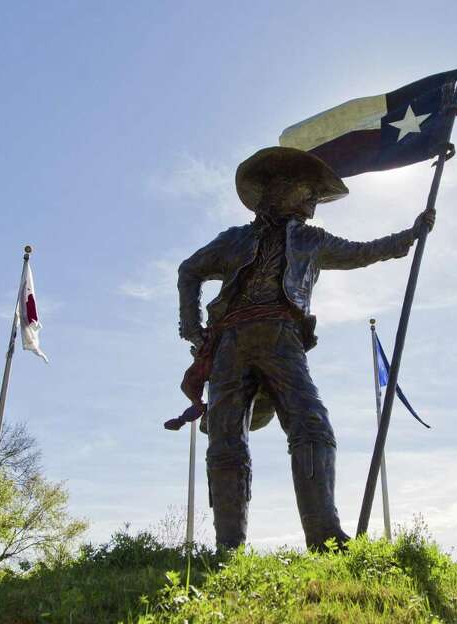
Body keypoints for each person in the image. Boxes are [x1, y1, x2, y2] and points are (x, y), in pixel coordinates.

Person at [170, 146, 434, 551]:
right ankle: (229, 547)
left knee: (310, 423)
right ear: (280, 189)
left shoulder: (311, 240)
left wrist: (410, 236)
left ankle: (324, 536)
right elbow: (189, 271)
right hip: (231, 344)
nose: (314, 201)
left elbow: (362, 252)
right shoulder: (234, 240)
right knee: (225, 437)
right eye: (308, 191)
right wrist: (194, 330)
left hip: (282, 338)